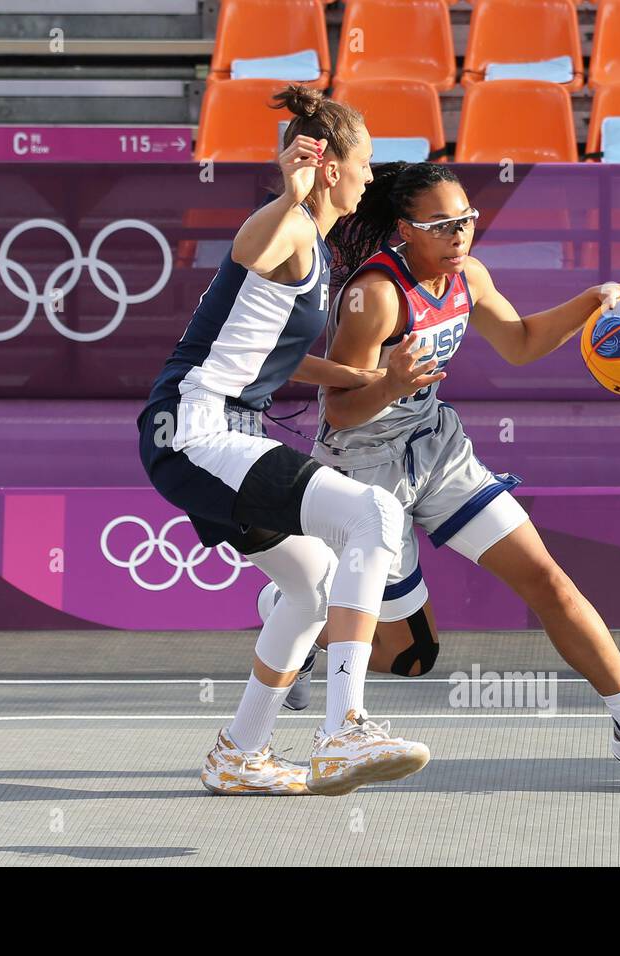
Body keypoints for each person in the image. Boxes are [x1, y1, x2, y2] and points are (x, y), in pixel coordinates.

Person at [261, 161, 620, 789]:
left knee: (547, 581)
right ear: (406, 229)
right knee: (412, 657)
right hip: (365, 467)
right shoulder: (376, 296)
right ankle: (304, 615)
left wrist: (593, 301)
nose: (461, 235)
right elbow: (338, 410)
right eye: (444, 225)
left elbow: (523, 341)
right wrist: (393, 383)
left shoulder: (468, 276)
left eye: (468, 220)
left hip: (437, 447)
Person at [138, 87, 438, 797]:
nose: (371, 175)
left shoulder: (315, 248)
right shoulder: (293, 228)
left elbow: (280, 355)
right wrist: (289, 193)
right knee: (375, 516)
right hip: (198, 428)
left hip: (207, 433)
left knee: (312, 589)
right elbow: (250, 249)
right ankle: (344, 731)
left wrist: (365, 373)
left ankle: (239, 752)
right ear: (332, 166)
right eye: (363, 162)